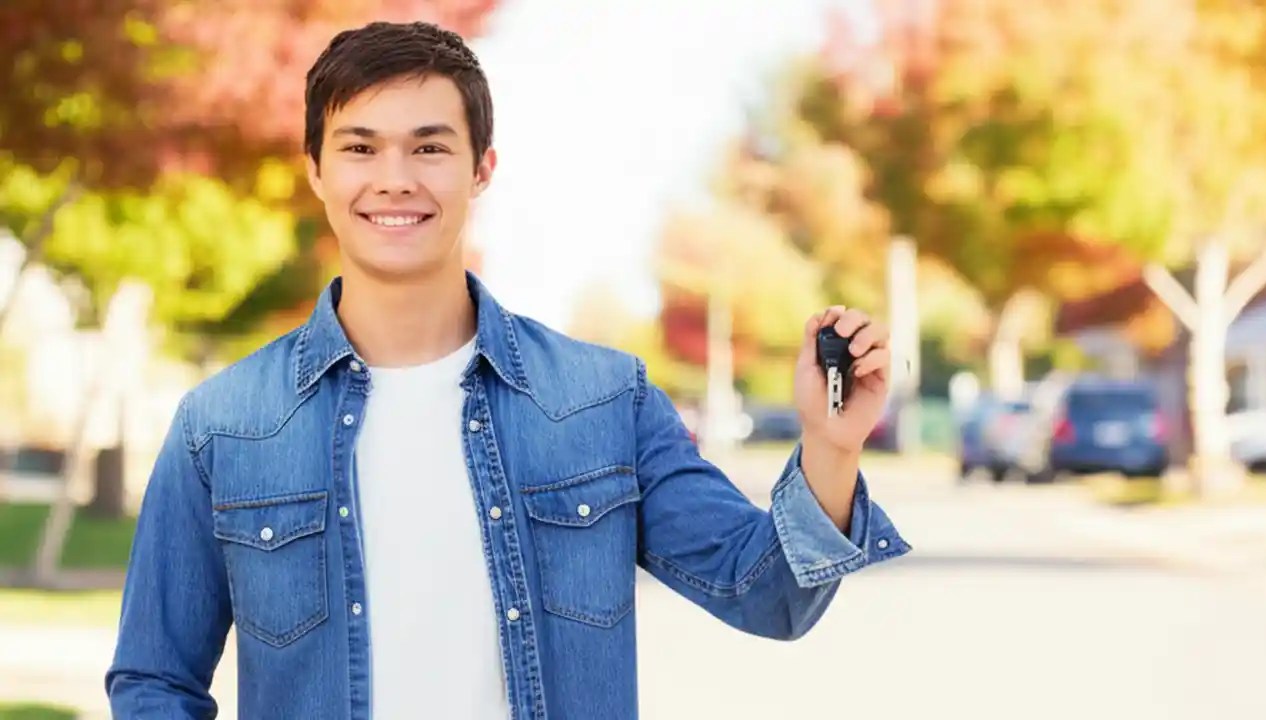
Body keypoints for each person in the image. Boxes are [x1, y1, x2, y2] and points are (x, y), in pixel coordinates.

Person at [106, 21, 911, 720]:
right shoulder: (223, 425)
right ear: (316, 170)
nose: (395, 178)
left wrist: (829, 447)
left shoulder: (603, 402)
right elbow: (155, 679)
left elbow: (764, 594)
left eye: (429, 147)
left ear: (482, 169)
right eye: (360, 148)